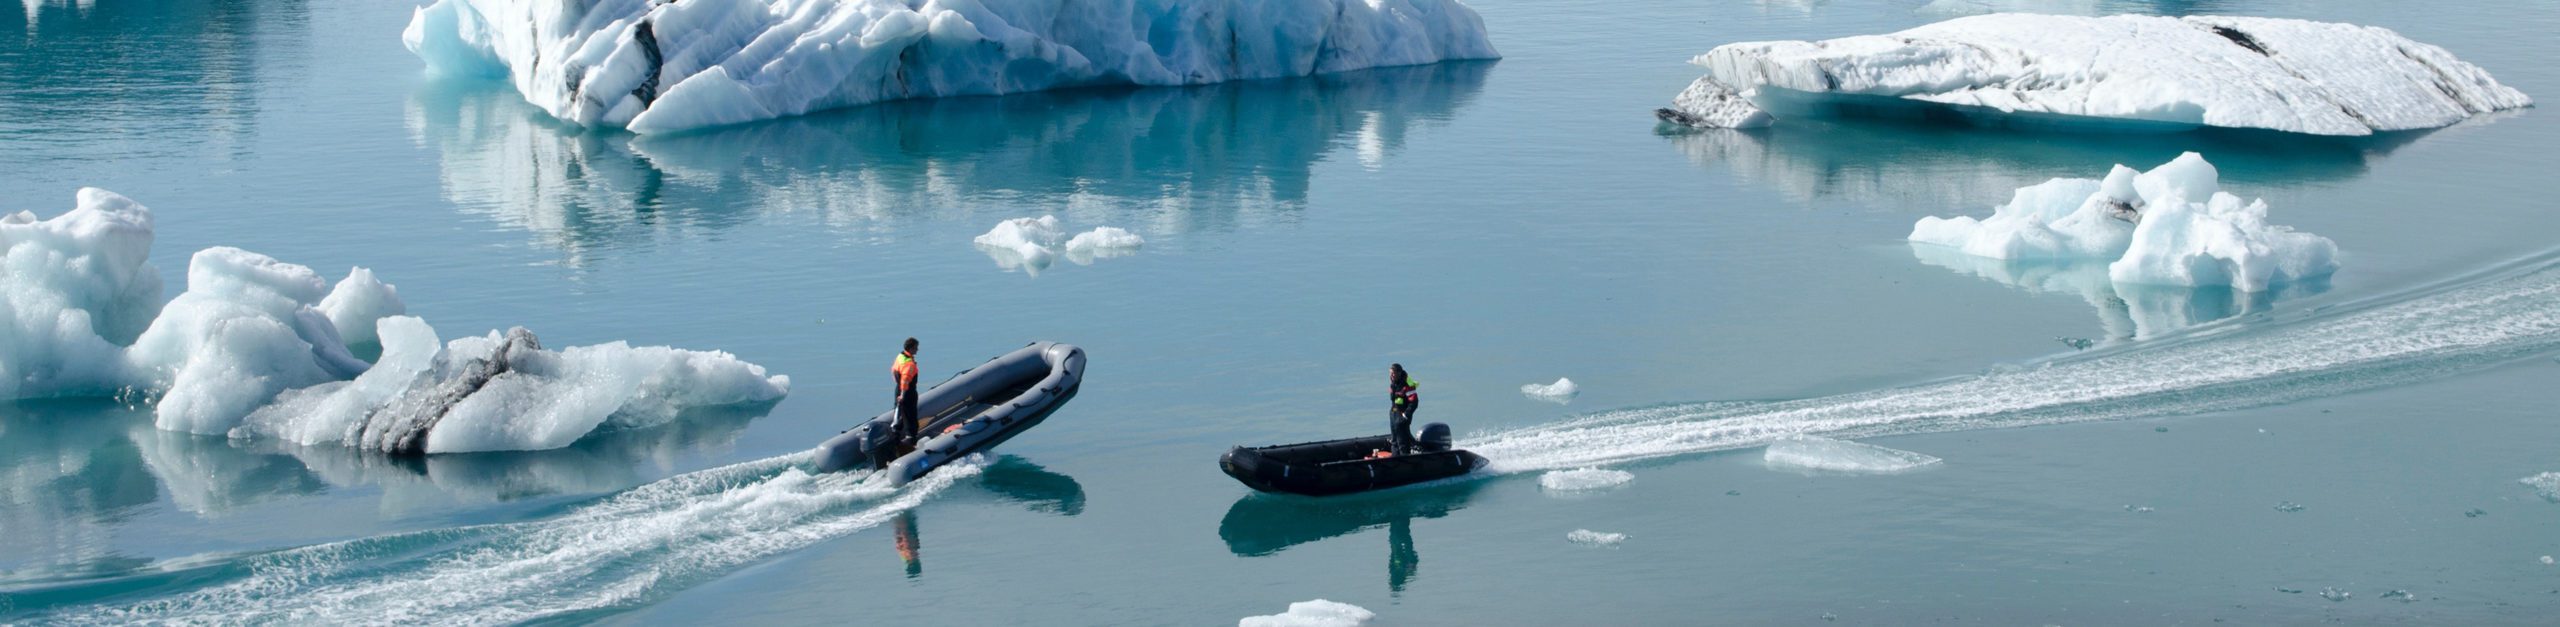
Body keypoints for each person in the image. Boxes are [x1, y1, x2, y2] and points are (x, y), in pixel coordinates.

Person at [889, 337, 921, 463]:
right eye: (916, 347)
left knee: (899, 415)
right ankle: (911, 442)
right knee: (911, 417)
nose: (917, 350)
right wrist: (903, 395)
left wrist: (899, 392)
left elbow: (893, 370)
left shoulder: (900, 357)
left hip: (899, 389)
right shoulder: (909, 364)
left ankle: (896, 441)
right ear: (911, 348)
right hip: (907, 392)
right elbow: (905, 380)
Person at [1388, 363, 1420, 454]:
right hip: (1394, 413)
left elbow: (1414, 402)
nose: (1391, 375)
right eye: (1390, 373)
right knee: (1394, 440)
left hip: (1403, 415)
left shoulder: (1407, 385)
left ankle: (1405, 459)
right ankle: (1395, 459)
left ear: (1399, 373)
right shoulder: (1394, 383)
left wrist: (1406, 414)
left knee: (1402, 441)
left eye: (1393, 373)